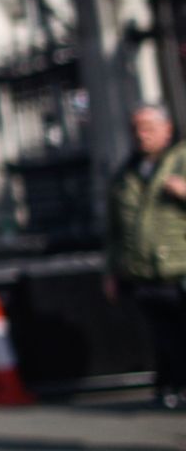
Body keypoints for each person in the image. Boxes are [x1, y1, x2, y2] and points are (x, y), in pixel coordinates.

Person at [106, 104, 186, 410]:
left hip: (180, 267)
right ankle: (171, 386)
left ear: (167, 129)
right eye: (136, 129)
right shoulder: (126, 173)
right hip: (143, 271)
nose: (142, 135)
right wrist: (111, 270)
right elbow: (113, 229)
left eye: (149, 128)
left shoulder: (181, 160)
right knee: (164, 337)